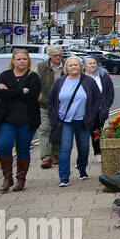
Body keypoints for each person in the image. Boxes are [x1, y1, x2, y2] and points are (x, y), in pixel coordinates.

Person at [47, 55, 100, 187]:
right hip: (65, 121)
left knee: (83, 148)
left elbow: (97, 99)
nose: (73, 67)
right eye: (70, 65)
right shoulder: (60, 82)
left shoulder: (88, 81)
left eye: (76, 64)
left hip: (83, 121)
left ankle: (82, 169)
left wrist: (92, 115)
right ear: (66, 68)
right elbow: (51, 100)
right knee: (65, 148)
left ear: (80, 66)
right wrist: (53, 117)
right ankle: (64, 177)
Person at [0, 49, 42, 193]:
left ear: (28, 61)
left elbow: (32, 96)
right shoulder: (5, 75)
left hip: (26, 120)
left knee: (23, 149)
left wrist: (9, 92)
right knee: (4, 146)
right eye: (19, 59)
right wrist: (21, 91)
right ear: (13, 61)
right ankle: (7, 178)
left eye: (24, 59)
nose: (22, 61)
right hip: (6, 120)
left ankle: (21, 179)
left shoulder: (33, 77)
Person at [36, 45, 66, 168]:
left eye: (60, 55)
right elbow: (36, 84)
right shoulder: (41, 67)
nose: (58, 58)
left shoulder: (66, 66)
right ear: (49, 56)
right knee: (45, 128)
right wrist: (39, 97)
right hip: (45, 104)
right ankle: (46, 157)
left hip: (62, 104)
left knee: (59, 128)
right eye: (55, 56)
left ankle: (56, 154)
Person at [82, 53, 115, 162]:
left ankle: (98, 153)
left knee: (97, 132)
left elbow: (110, 91)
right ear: (84, 65)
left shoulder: (103, 76)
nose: (92, 65)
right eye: (90, 63)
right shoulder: (81, 77)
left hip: (99, 110)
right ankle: (82, 158)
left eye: (94, 63)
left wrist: (106, 106)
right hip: (84, 110)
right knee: (84, 134)